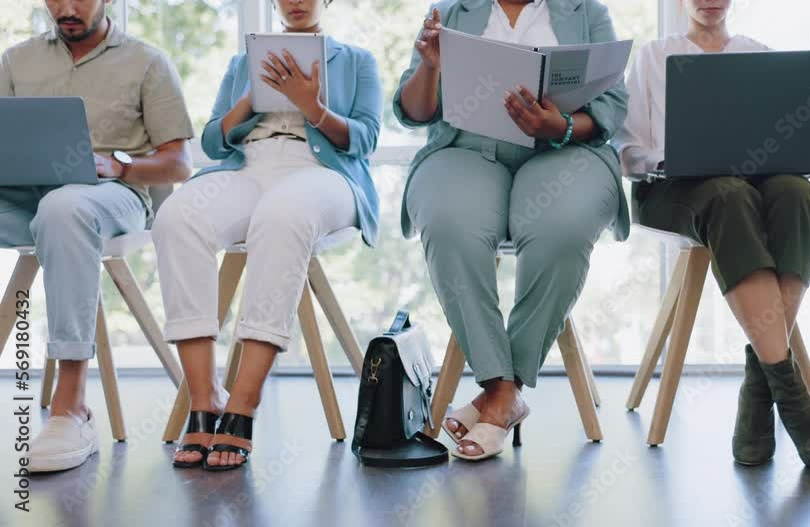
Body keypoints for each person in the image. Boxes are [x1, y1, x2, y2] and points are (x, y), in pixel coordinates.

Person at [613, 0, 810, 471]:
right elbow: (627, 146)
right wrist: (667, 159)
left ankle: (761, 386)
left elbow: (787, 139)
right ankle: (795, 403)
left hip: (754, 184)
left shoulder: (760, 54)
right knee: (730, 197)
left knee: (797, 194)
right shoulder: (654, 55)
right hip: (672, 191)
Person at [394, 0, 630, 461]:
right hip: (465, 149)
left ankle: (500, 394)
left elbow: (612, 106)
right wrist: (429, 66)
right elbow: (415, 112)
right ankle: (503, 391)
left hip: (565, 149)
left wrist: (560, 125)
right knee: (449, 226)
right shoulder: (451, 12)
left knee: (562, 230)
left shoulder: (587, 12)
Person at [153, 0, 382, 471]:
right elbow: (213, 142)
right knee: (177, 218)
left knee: (281, 215)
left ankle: (244, 401)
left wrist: (313, 107)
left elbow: (365, 140)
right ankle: (205, 398)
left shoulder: (357, 60)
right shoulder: (243, 62)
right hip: (249, 168)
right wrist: (250, 99)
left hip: (322, 173)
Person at [0, 0, 194, 472]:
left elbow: (179, 163)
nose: (66, 8)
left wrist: (119, 165)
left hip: (111, 196)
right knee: (54, 209)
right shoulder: (16, 60)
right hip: (25, 196)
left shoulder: (147, 62)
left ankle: (71, 407)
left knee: (63, 209)